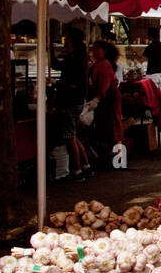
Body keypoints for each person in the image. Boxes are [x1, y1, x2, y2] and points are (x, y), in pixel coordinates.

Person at [52, 28, 90, 180]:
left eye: (66, 38)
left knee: (69, 137)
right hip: (77, 101)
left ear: (71, 40)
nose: (64, 41)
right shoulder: (79, 57)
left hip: (69, 102)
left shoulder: (73, 59)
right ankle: (85, 164)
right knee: (73, 135)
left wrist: (58, 83)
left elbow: (71, 83)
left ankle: (76, 170)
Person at [86, 41, 124, 169]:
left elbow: (104, 86)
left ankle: (118, 160)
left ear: (104, 51)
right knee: (107, 128)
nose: (94, 51)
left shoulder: (104, 65)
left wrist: (96, 100)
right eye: (93, 49)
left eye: (98, 49)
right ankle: (111, 158)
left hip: (110, 99)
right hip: (104, 99)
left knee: (114, 128)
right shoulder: (97, 64)